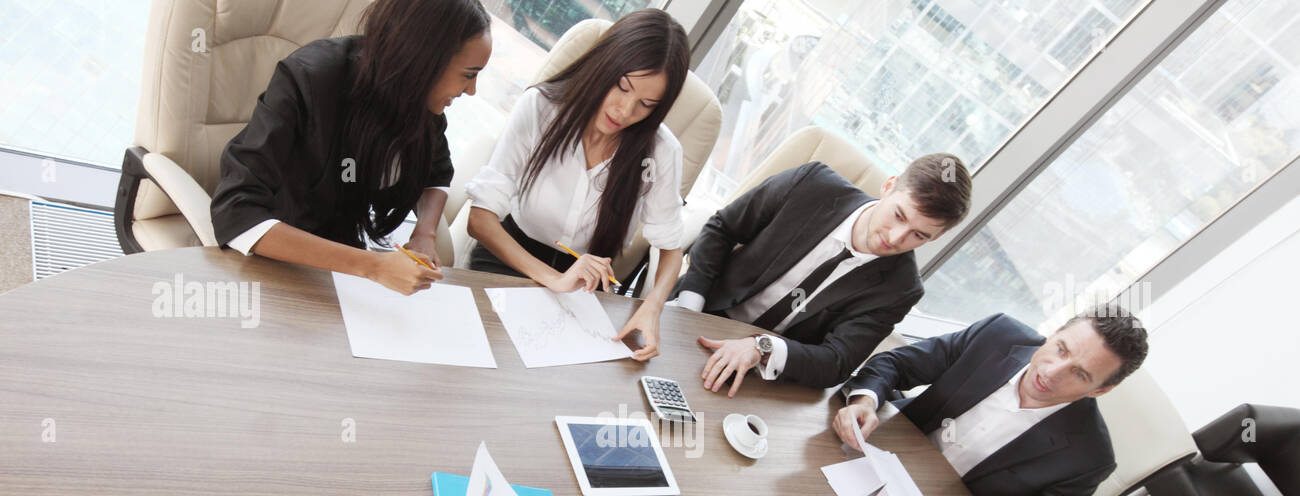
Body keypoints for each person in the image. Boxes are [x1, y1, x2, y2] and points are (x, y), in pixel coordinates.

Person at [833, 308, 1149, 496]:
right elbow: (896, 365)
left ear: (1100, 391)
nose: (1051, 372)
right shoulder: (999, 334)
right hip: (873, 454)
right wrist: (864, 401)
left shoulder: (1089, 458)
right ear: (1053, 333)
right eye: (1061, 349)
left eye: (1079, 373)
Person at [210, 0, 492, 295]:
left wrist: (425, 233)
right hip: (278, 258)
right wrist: (374, 267)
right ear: (423, 59)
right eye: (469, 74)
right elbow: (235, 211)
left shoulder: (419, 102)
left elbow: (437, 173)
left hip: (346, 259)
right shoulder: (310, 78)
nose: (472, 91)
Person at [465, 9, 690, 361]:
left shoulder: (662, 151)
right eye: (622, 86)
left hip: (586, 289)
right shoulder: (541, 107)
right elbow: (479, 220)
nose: (625, 110)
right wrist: (552, 279)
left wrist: (652, 307)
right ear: (604, 65)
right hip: (511, 260)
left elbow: (671, 250)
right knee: (491, 358)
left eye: (646, 105)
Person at [670, 154, 971, 393]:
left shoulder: (901, 289)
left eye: (917, 235)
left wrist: (761, 348)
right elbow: (723, 229)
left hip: (764, 368)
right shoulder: (812, 185)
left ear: (936, 238)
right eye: (898, 215)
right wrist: (689, 310)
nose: (895, 238)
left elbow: (836, 362)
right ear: (889, 186)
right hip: (700, 312)